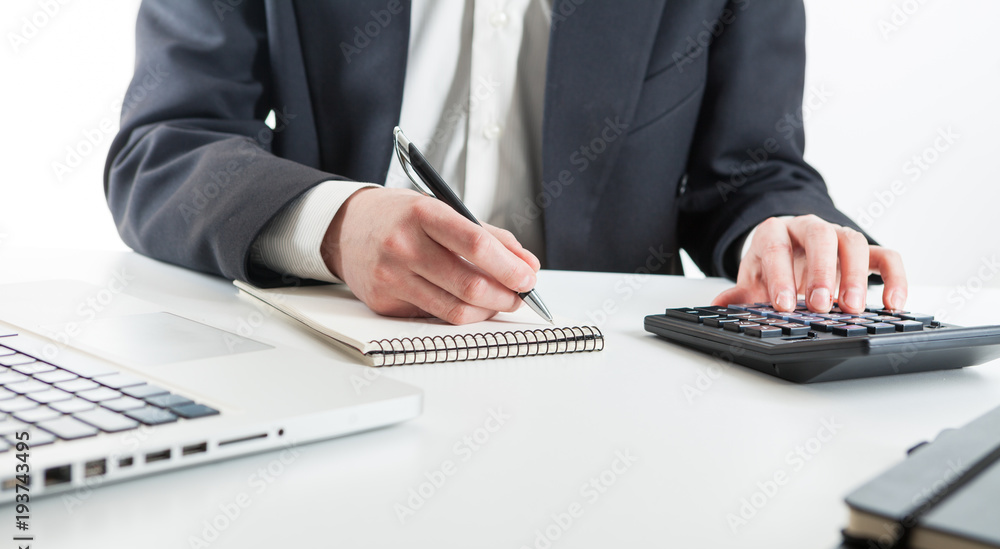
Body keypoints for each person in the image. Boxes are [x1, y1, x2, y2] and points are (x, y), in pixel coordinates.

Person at [105, 0, 906, 325]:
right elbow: (166, 145)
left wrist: (788, 236)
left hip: (611, 408)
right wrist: (335, 227)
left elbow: (753, 170)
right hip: (323, 366)